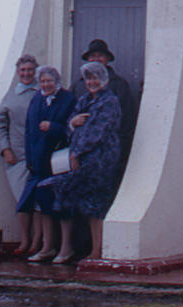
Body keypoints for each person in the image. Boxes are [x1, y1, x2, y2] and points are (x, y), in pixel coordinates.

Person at [51, 61, 121, 265]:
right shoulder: (83, 100)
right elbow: (70, 122)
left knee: (97, 205)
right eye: (88, 78)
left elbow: (96, 132)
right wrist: (72, 124)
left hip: (101, 159)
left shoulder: (110, 101)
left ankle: (97, 251)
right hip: (81, 160)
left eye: (95, 78)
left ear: (104, 79)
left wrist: (76, 153)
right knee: (78, 202)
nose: (92, 82)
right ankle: (78, 248)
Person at [19, 65, 76, 263]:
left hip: (59, 161)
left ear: (57, 81)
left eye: (49, 81)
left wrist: (53, 127)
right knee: (43, 204)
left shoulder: (68, 99)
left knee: (61, 204)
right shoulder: (36, 99)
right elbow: (28, 130)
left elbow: (72, 129)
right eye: (43, 81)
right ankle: (47, 247)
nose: (46, 85)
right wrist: (30, 158)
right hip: (39, 161)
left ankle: (65, 248)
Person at [0, 53, 38, 255]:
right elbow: (1, 125)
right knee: (22, 200)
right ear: (18, 72)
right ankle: (24, 241)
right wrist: (5, 149)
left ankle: (38, 243)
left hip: (39, 155)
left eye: (30, 70)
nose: (27, 73)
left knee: (40, 201)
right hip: (16, 157)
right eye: (23, 70)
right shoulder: (10, 95)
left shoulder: (42, 92)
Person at [71, 40, 135, 173]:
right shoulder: (77, 86)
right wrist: (72, 123)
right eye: (92, 56)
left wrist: (120, 154)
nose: (96, 59)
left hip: (106, 157)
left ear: (107, 59)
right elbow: (69, 116)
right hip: (80, 158)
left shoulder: (120, 85)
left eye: (100, 55)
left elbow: (127, 123)